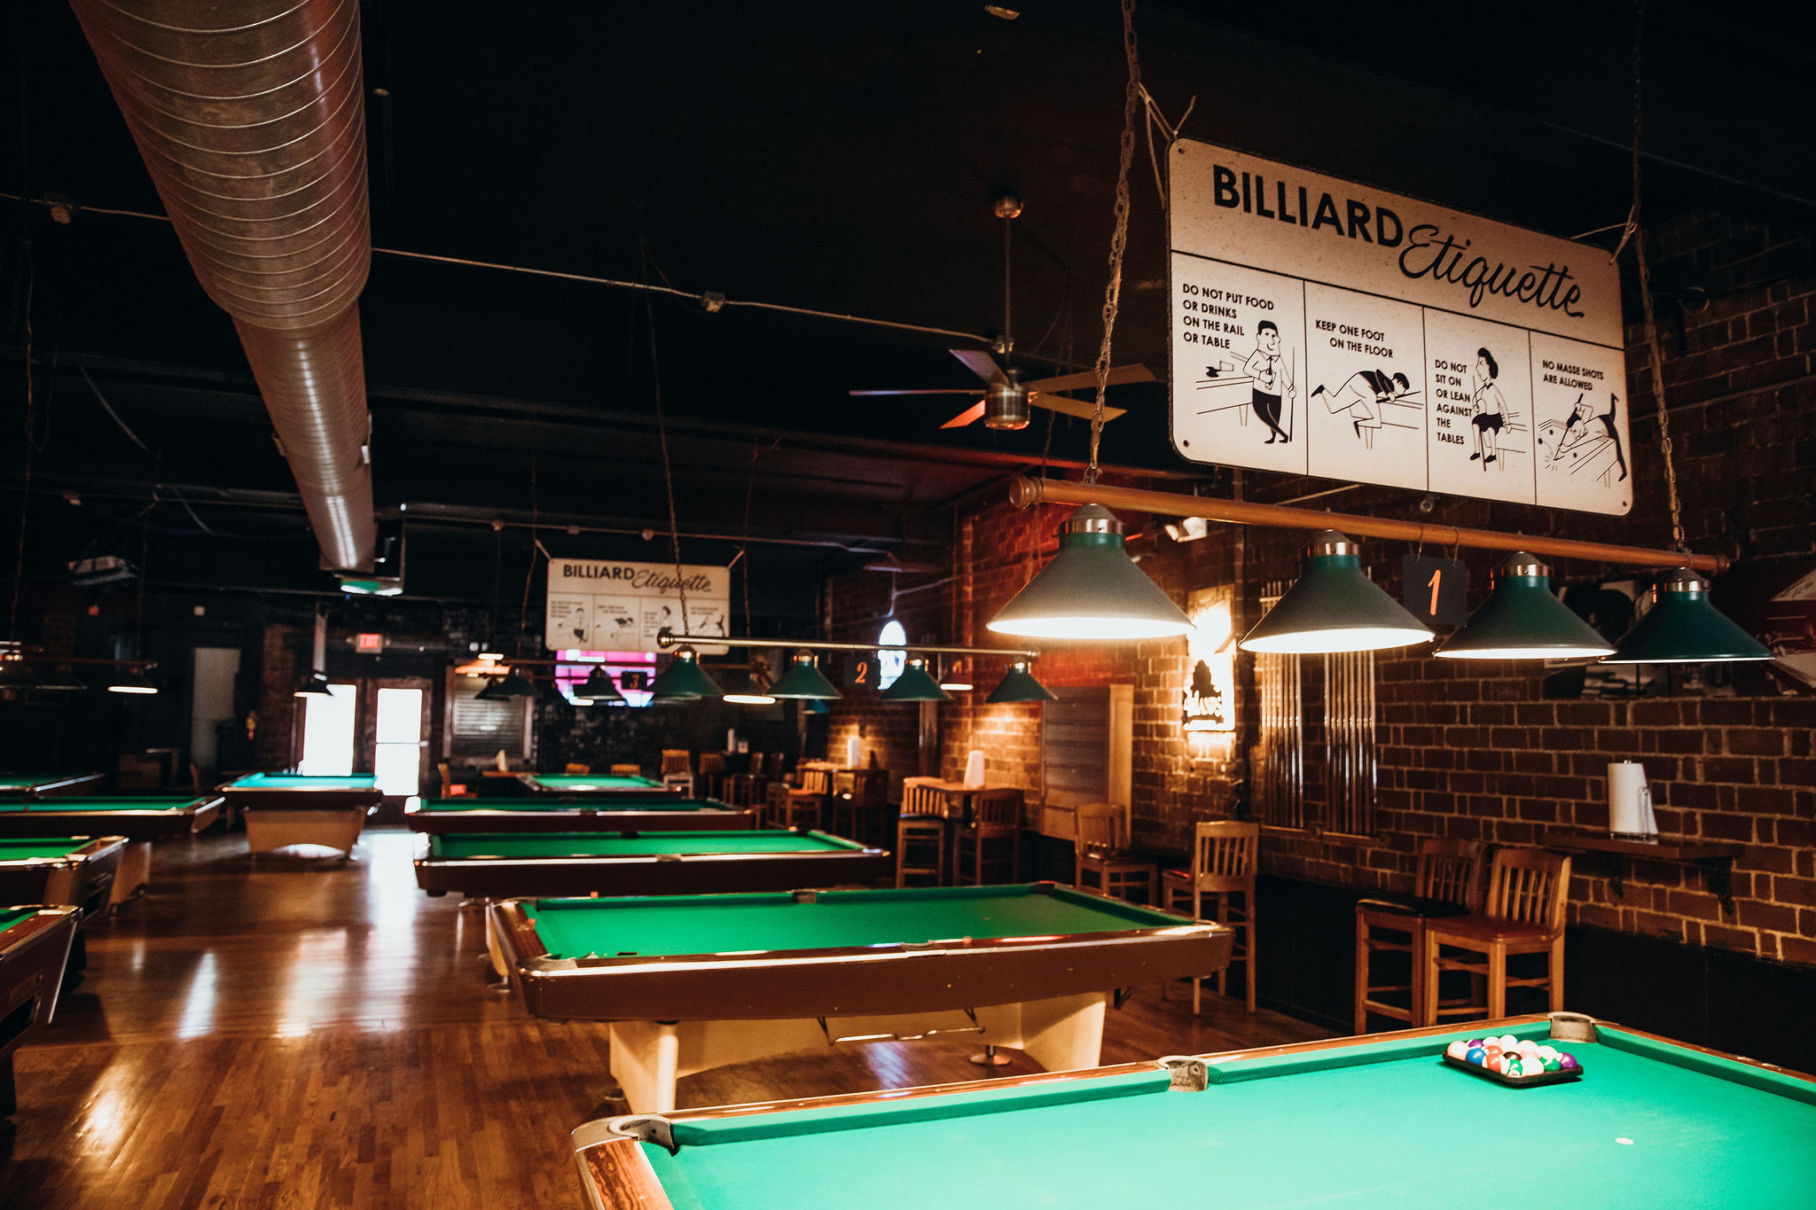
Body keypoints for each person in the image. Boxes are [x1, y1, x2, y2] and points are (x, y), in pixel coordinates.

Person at [1312, 369, 1413, 438]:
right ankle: (1358, 423)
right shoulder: (1388, 382)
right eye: (1403, 390)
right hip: (1364, 385)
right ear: (1399, 383)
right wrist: (1389, 393)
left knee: (1333, 407)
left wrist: (1390, 393)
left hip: (1357, 381)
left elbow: (1386, 388)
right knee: (1377, 422)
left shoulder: (1389, 387)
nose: (1403, 393)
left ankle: (1322, 390)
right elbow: (1379, 373)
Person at [1244, 321, 1293, 444]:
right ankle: (1283, 434)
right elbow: (1247, 369)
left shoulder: (1277, 358)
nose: (1270, 339)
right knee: (1262, 413)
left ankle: (1274, 437)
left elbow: (1284, 374)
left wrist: (1290, 387)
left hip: (1276, 393)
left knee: (1275, 416)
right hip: (1260, 391)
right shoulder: (1257, 355)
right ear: (1258, 336)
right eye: (1266, 334)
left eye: (1273, 336)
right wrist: (1261, 376)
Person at [1563, 393, 1629, 482]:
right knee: (1611, 415)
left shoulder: (1587, 428)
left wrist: (1580, 407)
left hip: (1607, 425)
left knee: (1618, 450)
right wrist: (1580, 407)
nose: (1577, 435)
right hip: (1603, 419)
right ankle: (1612, 399)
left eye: (1575, 430)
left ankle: (1624, 471)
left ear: (1578, 422)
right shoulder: (1584, 424)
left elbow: (1580, 442)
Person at [1470, 347, 1507, 467]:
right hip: (1487, 415)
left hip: (1495, 418)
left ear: (1489, 367)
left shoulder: (1493, 389)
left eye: (1481, 364)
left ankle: (1493, 453)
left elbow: (1503, 406)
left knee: (1491, 429)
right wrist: (1476, 407)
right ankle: (1477, 451)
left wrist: (1508, 422)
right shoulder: (1483, 390)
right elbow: (1481, 404)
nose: (1477, 368)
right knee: (1475, 422)